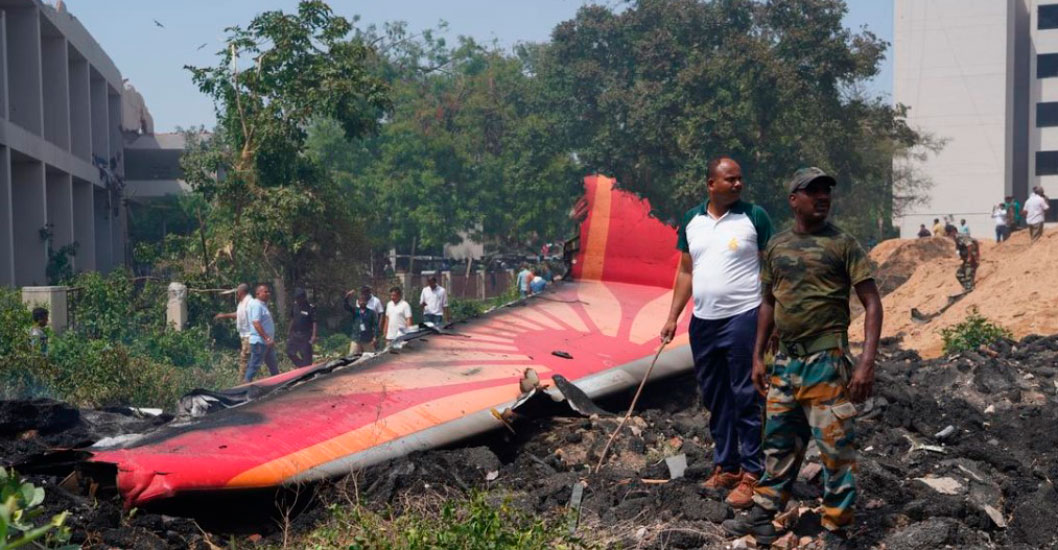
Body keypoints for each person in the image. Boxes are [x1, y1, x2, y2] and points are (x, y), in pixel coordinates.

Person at [723, 167, 882, 547]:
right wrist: (758, 357)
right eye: (813, 191)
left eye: (826, 191)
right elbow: (767, 304)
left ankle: (835, 528)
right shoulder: (777, 246)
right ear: (794, 199)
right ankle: (763, 513)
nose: (822, 197)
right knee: (778, 441)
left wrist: (865, 363)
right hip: (785, 364)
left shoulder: (843, 244)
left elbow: (872, 304)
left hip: (826, 362)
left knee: (834, 449)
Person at [660, 156, 774, 510]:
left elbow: (771, 268)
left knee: (745, 393)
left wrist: (773, 321)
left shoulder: (754, 216)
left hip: (743, 316)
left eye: (740, 179)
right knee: (714, 395)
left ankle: (753, 471)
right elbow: (685, 272)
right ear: (711, 184)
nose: (738, 185)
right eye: (730, 180)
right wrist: (672, 316)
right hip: (703, 321)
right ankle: (727, 465)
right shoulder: (691, 220)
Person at [214, 283, 252, 378]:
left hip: (249, 335)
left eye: (238, 292)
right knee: (251, 357)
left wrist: (223, 315)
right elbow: (238, 314)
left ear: (241, 292)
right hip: (244, 334)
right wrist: (224, 315)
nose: (237, 294)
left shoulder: (249, 302)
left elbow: (241, 315)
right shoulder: (242, 303)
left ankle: (243, 380)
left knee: (245, 358)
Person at [245, 284, 280, 382]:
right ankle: (244, 388)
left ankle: (278, 385)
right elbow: (256, 323)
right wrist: (267, 338)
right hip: (260, 342)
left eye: (268, 292)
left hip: (266, 343)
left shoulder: (262, 305)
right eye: (265, 292)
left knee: (273, 366)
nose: (268, 294)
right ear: (258, 293)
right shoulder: (256, 305)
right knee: (254, 366)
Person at [286, 288, 317, 367]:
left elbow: (314, 322)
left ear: (304, 297)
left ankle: (306, 370)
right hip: (295, 334)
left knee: (307, 359)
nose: (298, 300)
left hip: (305, 335)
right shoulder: (295, 306)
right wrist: (289, 332)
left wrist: (313, 336)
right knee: (290, 352)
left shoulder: (310, 308)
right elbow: (292, 319)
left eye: (299, 298)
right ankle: (301, 366)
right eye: (296, 298)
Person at [344, 288, 379, 354]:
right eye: (361, 301)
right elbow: (346, 306)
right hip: (356, 338)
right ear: (358, 302)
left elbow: (375, 325)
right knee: (352, 358)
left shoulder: (371, 313)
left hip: (367, 339)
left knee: (371, 358)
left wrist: (375, 337)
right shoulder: (355, 311)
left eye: (364, 301)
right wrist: (347, 296)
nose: (362, 302)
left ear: (366, 302)